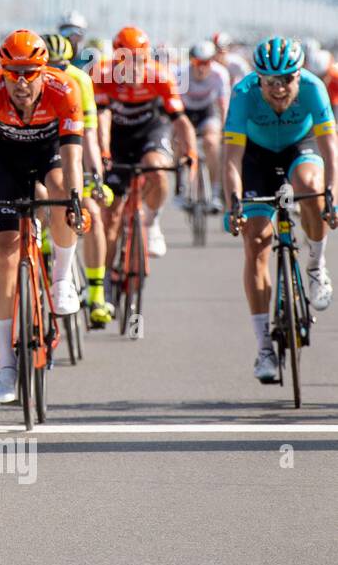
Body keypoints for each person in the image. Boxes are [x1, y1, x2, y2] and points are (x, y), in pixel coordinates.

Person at [0, 30, 86, 404]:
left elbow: (72, 158)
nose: (21, 82)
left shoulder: (64, 90)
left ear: (43, 70)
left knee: (59, 191)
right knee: (5, 252)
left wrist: (75, 200)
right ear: (2, 71)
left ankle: (60, 280)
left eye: (30, 73)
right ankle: (6, 364)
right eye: (13, 73)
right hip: (5, 164)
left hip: (48, 157)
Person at [225, 37, 338, 382]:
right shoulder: (243, 94)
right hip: (256, 158)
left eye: (287, 79)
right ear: (258, 77)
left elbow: (329, 147)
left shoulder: (314, 89)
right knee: (256, 241)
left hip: (298, 148)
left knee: (311, 186)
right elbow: (232, 159)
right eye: (270, 81)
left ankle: (316, 265)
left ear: (298, 75)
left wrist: (332, 194)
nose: (279, 88)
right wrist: (233, 204)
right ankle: (263, 350)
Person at [95, 26, 195, 260]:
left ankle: (151, 222)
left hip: (149, 131)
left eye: (140, 61)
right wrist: (104, 152)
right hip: (116, 136)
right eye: (126, 62)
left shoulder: (161, 76)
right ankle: (107, 283)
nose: (134, 69)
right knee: (110, 218)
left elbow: (180, 121)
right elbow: (101, 118)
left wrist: (191, 153)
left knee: (158, 170)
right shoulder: (101, 75)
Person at [44, 33, 112, 327]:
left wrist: (96, 177)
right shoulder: (26, 83)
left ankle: (96, 294)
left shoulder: (79, 81)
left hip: (70, 148)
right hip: (38, 150)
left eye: (61, 66)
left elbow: (90, 137)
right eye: (50, 66)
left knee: (92, 213)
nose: (55, 73)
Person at [178, 40, 232, 211]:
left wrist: (224, 131)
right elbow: (174, 107)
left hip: (207, 111)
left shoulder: (220, 74)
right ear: (191, 61)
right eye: (197, 63)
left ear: (212, 62)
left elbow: (223, 105)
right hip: (185, 111)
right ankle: (181, 188)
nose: (201, 67)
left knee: (211, 143)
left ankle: (214, 192)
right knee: (180, 143)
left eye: (206, 63)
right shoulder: (181, 74)